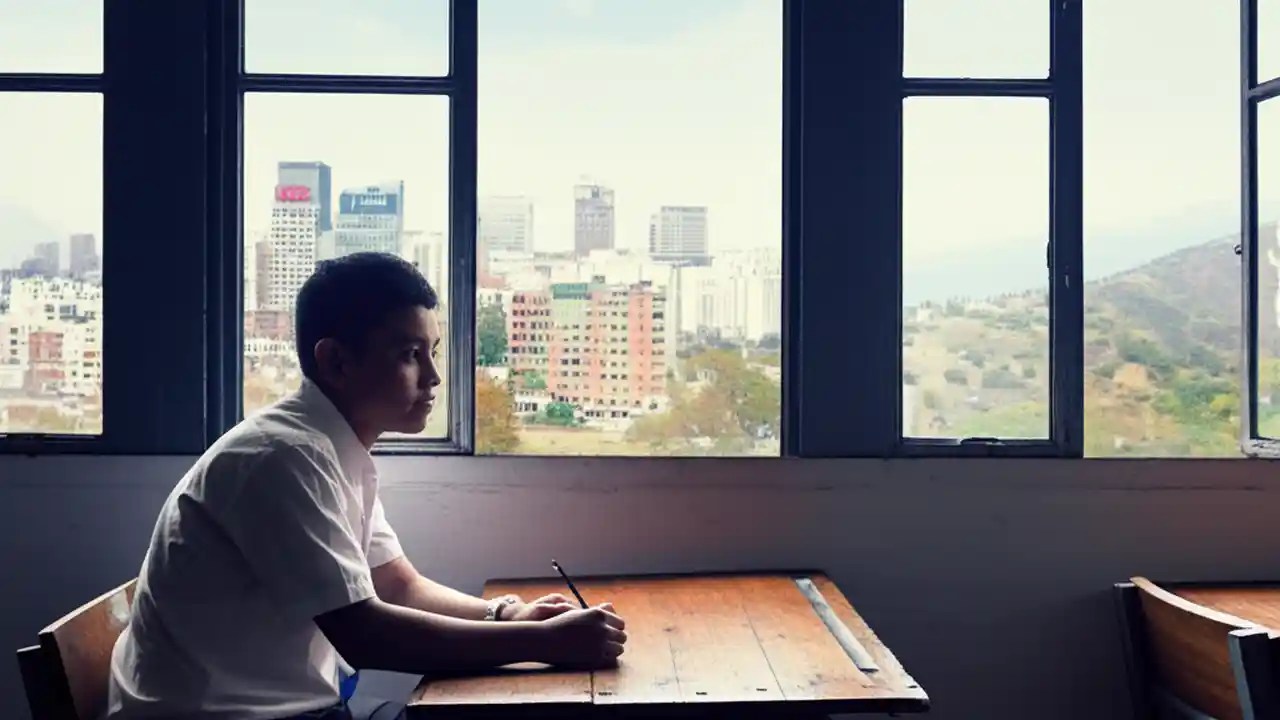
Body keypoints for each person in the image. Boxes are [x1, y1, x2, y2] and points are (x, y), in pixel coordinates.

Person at [106, 253, 627, 720]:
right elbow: (367, 636)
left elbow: (397, 584)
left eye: (433, 351)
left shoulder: (331, 449)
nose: (434, 377)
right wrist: (541, 641)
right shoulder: (282, 458)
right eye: (409, 354)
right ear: (336, 360)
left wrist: (509, 614)